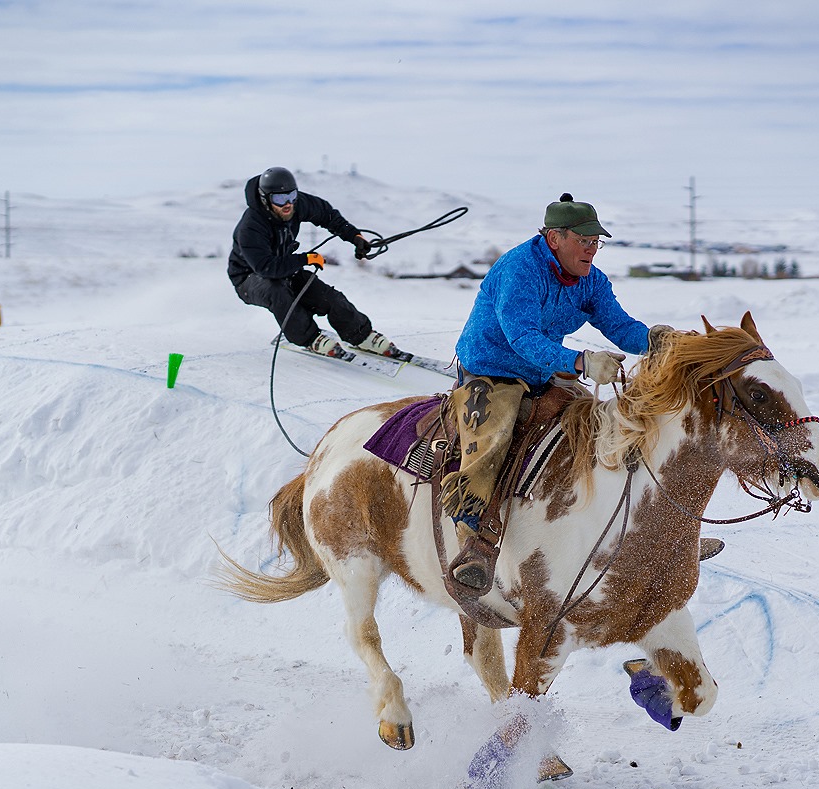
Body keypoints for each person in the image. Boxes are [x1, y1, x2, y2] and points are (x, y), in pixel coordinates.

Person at [442, 193, 675, 594]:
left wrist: (655, 340)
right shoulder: (520, 270)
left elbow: (619, 325)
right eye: (584, 240)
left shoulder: (591, 281)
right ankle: (477, 544)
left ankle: (629, 529)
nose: (591, 249)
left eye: (596, 242)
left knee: (605, 430)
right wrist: (582, 363)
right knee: (493, 442)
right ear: (554, 238)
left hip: (545, 371)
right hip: (492, 369)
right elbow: (522, 337)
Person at [227, 167, 404, 360]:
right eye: (279, 199)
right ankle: (309, 338)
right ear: (265, 199)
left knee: (328, 296)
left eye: (292, 196)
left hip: (284, 269)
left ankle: (361, 335)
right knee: (277, 291)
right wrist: (304, 259)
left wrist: (355, 236)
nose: (288, 204)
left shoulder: (294, 205)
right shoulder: (251, 226)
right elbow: (266, 268)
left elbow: (327, 215)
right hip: (249, 278)